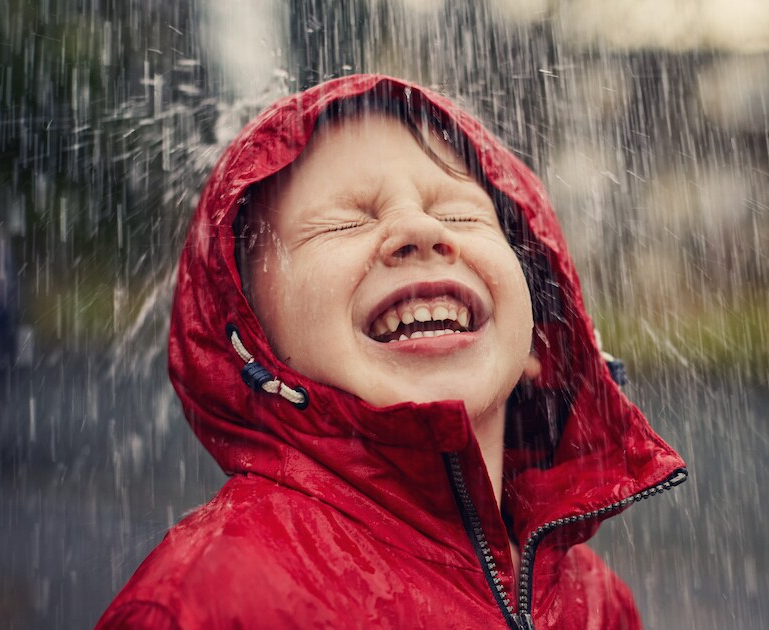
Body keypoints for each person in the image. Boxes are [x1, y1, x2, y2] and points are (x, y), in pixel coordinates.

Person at [96, 75, 686, 629]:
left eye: (459, 212)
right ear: (253, 340)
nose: (419, 230)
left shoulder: (597, 603)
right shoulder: (208, 602)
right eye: (343, 223)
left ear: (540, 338)